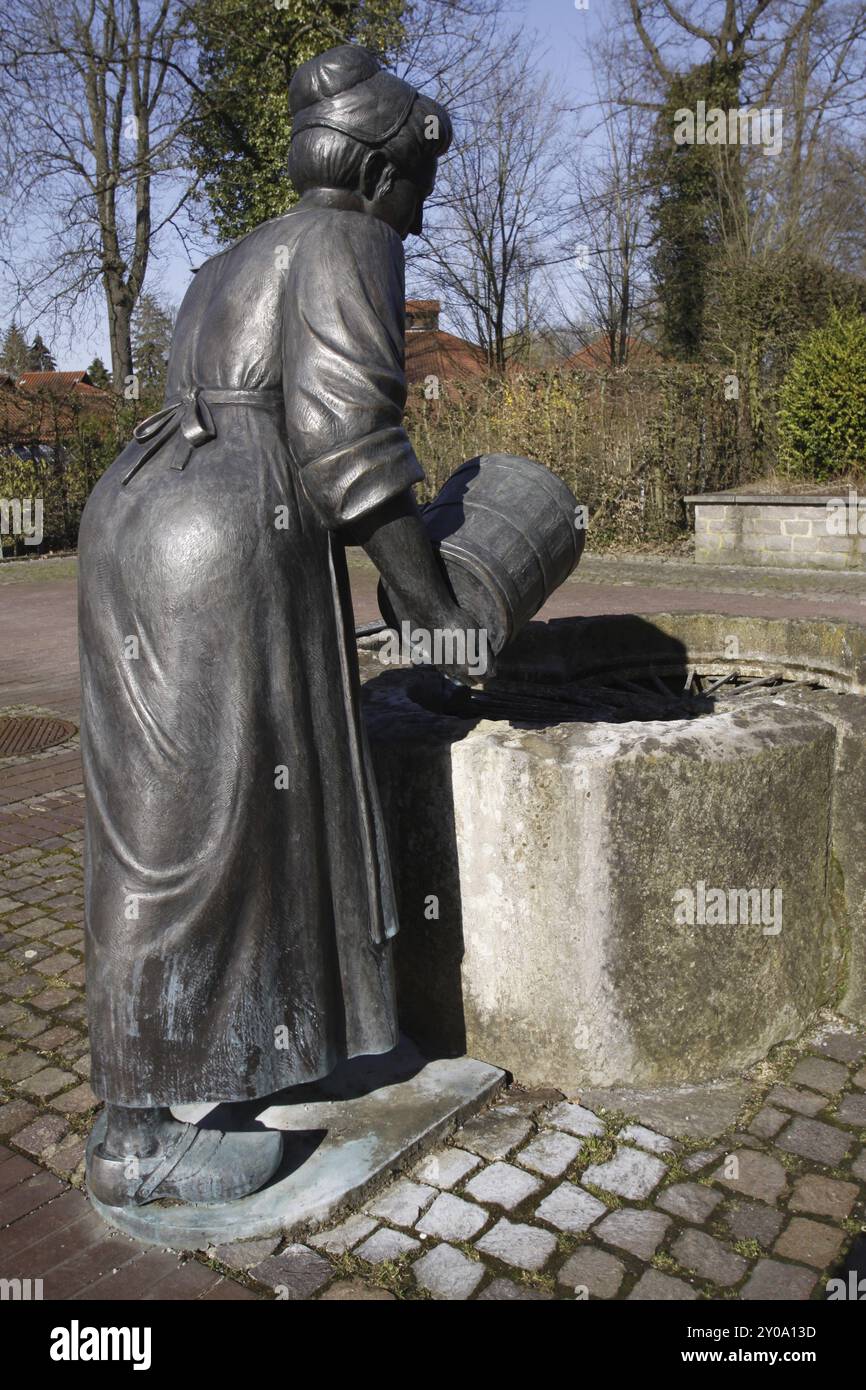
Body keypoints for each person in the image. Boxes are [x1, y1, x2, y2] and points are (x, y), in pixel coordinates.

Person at [79, 44, 471, 1207]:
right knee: (215, 824)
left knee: (161, 821)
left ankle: (154, 1092)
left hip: (133, 511)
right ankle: (138, 1132)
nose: (417, 210)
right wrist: (433, 608)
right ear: (377, 171)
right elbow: (350, 447)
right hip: (224, 539)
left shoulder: (222, 260)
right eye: (415, 186)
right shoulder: (351, 238)